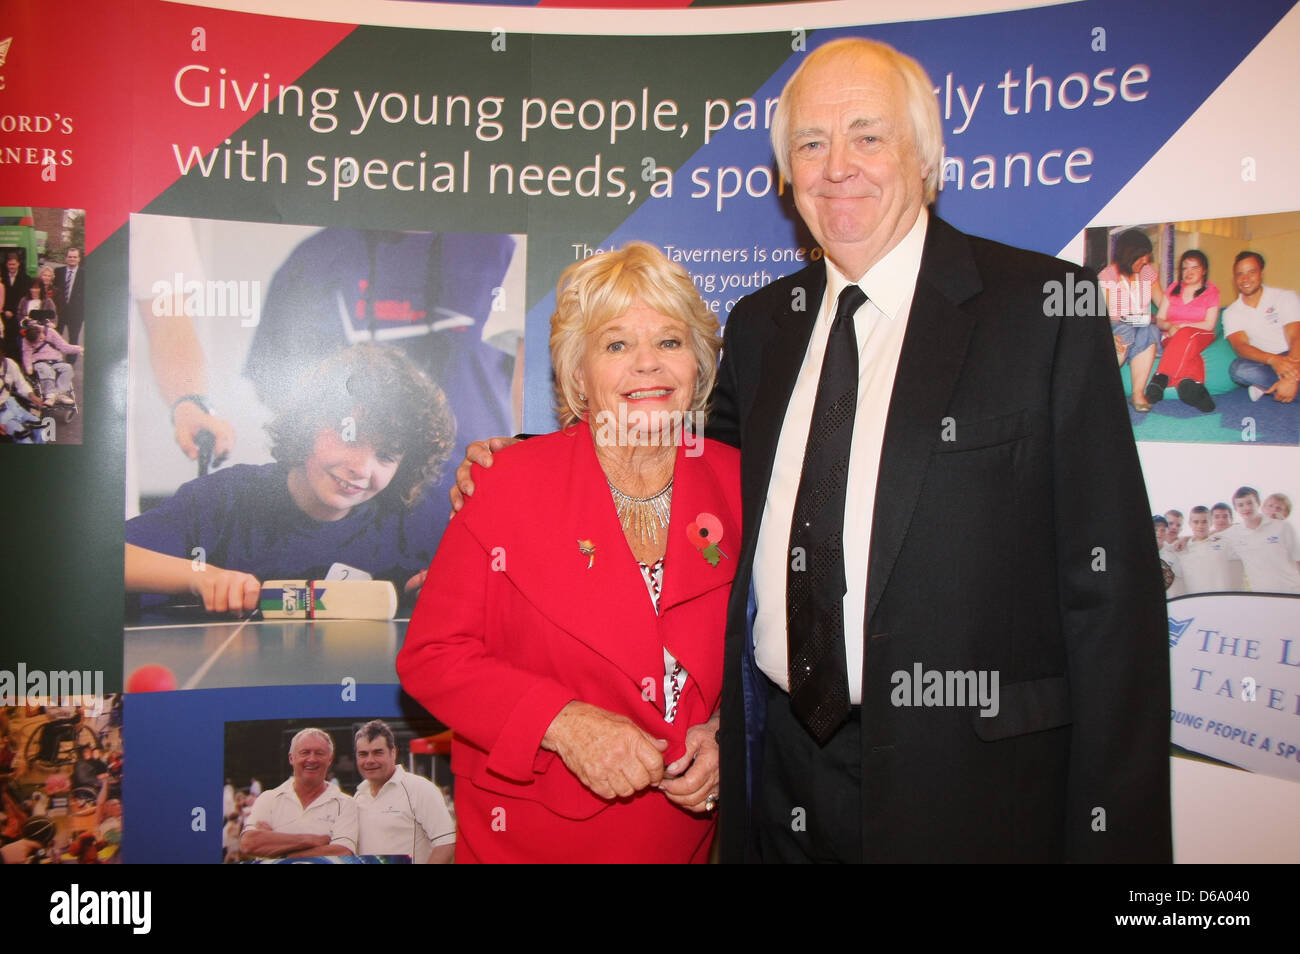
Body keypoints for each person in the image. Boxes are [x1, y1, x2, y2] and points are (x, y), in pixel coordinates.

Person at [451, 38, 1170, 864]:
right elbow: (683, 456)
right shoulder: (764, 326)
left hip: (975, 788)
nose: (838, 168)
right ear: (786, 179)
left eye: (868, 135)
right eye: (810, 145)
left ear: (926, 156)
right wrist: (529, 457)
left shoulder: (1043, 310)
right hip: (780, 771)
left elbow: (1111, 601)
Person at [398, 242, 740, 863]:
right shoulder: (506, 483)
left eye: (670, 342)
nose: (648, 366)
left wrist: (726, 737)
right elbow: (431, 658)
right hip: (529, 837)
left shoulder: (743, 484)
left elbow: (774, 653)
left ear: (699, 365)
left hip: (682, 839)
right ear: (577, 375)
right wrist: (563, 723)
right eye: (616, 346)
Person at [124, 344, 454, 613]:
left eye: (385, 456)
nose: (362, 468)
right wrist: (201, 577)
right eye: (350, 437)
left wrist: (438, 593)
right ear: (307, 423)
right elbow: (108, 558)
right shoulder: (223, 500)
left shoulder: (410, 529)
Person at [239, 728, 357, 859]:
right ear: (291, 758)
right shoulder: (268, 798)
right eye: (305, 752)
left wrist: (279, 850)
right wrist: (311, 841)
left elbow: (342, 852)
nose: (312, 759)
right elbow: (249, 843)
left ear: (330, 759)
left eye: (319, 753)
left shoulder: (346, 804)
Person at [352, 720, 454, 863]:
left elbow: (446, 843)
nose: (370, 760)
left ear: (393, 753)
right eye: (363, 754)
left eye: (378, 753)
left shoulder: (420, 788)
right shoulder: (358, 796)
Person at [1098, 229, 1166, 412]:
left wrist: (1178, 320)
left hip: (1141, 323)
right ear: (1128, 254)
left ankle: (1137, 394)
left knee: (1150, 328)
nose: (1145, 261)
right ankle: (1098, 389)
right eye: (1141, 257)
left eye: (1147, 257)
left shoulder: (1147, 272)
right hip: (1116, 327)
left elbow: (1163, 302)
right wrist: (1107, 337)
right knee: (1129, 329)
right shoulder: (1108, 275)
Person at [1145, 250, 1220, 411]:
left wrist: (1183, 326)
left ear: (1204, 270)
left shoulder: (1211, 291)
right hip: (1171, 335)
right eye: (1185, 268)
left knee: (1185, 335)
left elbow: (1209, 324)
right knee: (1188, 351)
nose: (1189, 272)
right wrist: (1170, 327)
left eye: (1194, 267)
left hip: (1200, 333)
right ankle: (1195, 389)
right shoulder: (1173, 289)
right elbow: (1160, 319)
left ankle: (1161, 377)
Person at [1223, 252, 1300, 403]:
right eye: (1240, 274)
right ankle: (1283, 387)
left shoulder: (1285, 297)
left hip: (1294, 355)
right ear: (1234, 278)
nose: (1245, 279)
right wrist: (1273, 361)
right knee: (1238, 369)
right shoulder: (1231, 312)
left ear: (1261, 273)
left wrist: (1291, 378)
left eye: (1251, 272)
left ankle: (1279, 387)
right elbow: (1240, 346)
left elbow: (1295, 336)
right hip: (1266, 361)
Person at [1220, 486, 1300, 594]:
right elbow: (1210, 538)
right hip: (1261, 596)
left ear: (1258, 503)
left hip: (1292, 592)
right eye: (1241, 505)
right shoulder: (1233, 533)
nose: (1246, 508)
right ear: (1236, 509)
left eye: (1249, 503)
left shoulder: (1283, 526)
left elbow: (1298, 559)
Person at [1177, 506, 1238, 594]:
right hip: (1196, 601)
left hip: (1222, 599)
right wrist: (1185, 539)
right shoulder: (1182, 548)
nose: (1200, 526)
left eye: (1204, 522)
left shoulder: (1224, 542)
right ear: (1190, 523)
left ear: (1211, 523)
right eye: (1196, 522)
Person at [20, 319, 82, 405]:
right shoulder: (26, 339)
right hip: (39, 361)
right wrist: (28, 368)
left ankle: (60, 394)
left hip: (55, 359)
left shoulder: (50, 332)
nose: (40, 341)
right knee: (45, 369)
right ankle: (50, 395)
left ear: (41, 331)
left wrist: (78, 349)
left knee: (68, 368)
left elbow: (63, 346)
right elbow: (26, 355)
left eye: (41, 338)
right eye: (37, 341)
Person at [54, 247, 85, 348]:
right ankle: (54, 359)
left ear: (79, 258)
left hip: (76, 312)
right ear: (66, 258)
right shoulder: (58, 272)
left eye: (75, 257)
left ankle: (71, 361)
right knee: (55, 337)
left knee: (73, 338)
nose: (72, 259)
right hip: (60, 311)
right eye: (70, 257)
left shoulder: (85, 274)